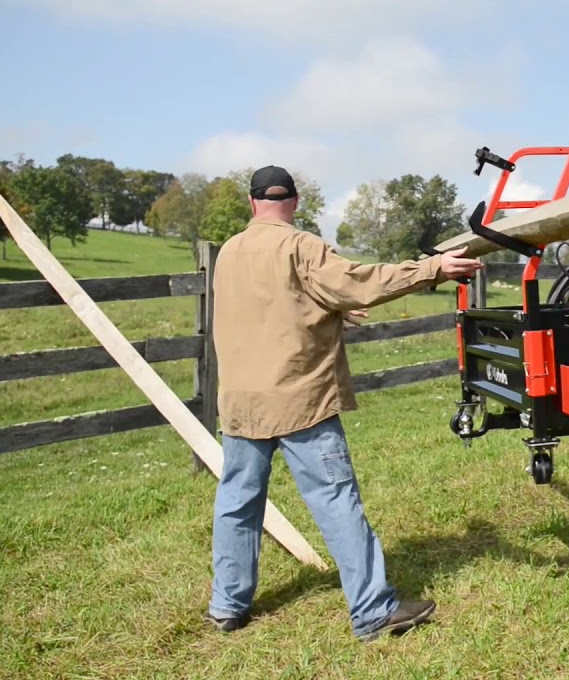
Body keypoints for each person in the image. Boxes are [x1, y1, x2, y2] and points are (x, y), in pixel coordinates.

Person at [203, 165, 482, 641]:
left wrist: (330, 312)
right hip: (299, 398)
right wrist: (434, 267)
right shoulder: (301, 245)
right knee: (335, 500)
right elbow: (360, 282)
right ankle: (373, 611)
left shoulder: (228, 252)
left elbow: (270, 306)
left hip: (241, 402)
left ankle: (227, 606)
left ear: (253, 204)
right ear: (292, 202)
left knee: (236, 501)